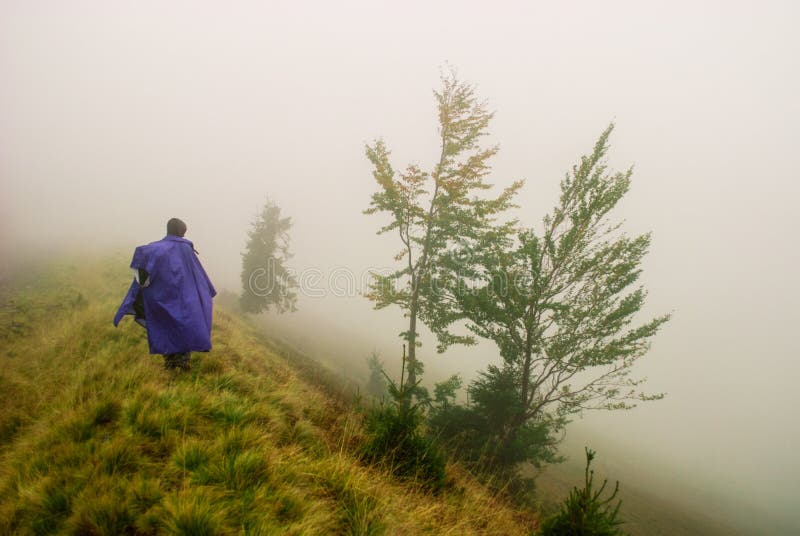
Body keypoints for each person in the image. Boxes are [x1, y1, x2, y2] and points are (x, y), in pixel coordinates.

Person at [113, 218, 216, 370]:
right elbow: (197, 275)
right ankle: (182, 365)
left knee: (165, 327)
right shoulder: (187, 250)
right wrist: (205, 292)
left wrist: (150, 287)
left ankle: (169, 364)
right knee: (183, 329)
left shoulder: (153, 249)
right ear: (182, 231)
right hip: (185, 299)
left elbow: (142, 277)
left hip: (159, 298)